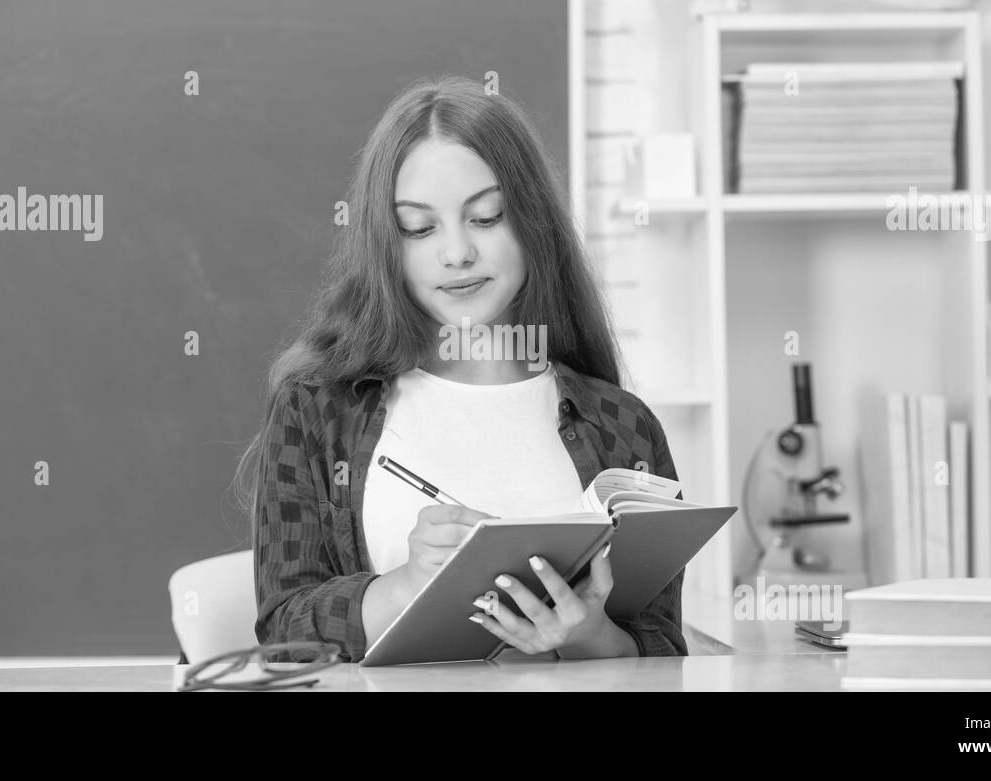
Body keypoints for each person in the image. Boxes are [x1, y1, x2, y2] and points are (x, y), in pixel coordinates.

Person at [232, 75, 687, 663]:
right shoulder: (318, 408)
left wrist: (588, 635)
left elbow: (665, 653)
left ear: (533, 221)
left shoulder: (623, 425)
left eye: (487, 217)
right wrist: (407, 583)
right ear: (385, 243)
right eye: (419, 228)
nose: (456, 254)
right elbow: (284, 635)